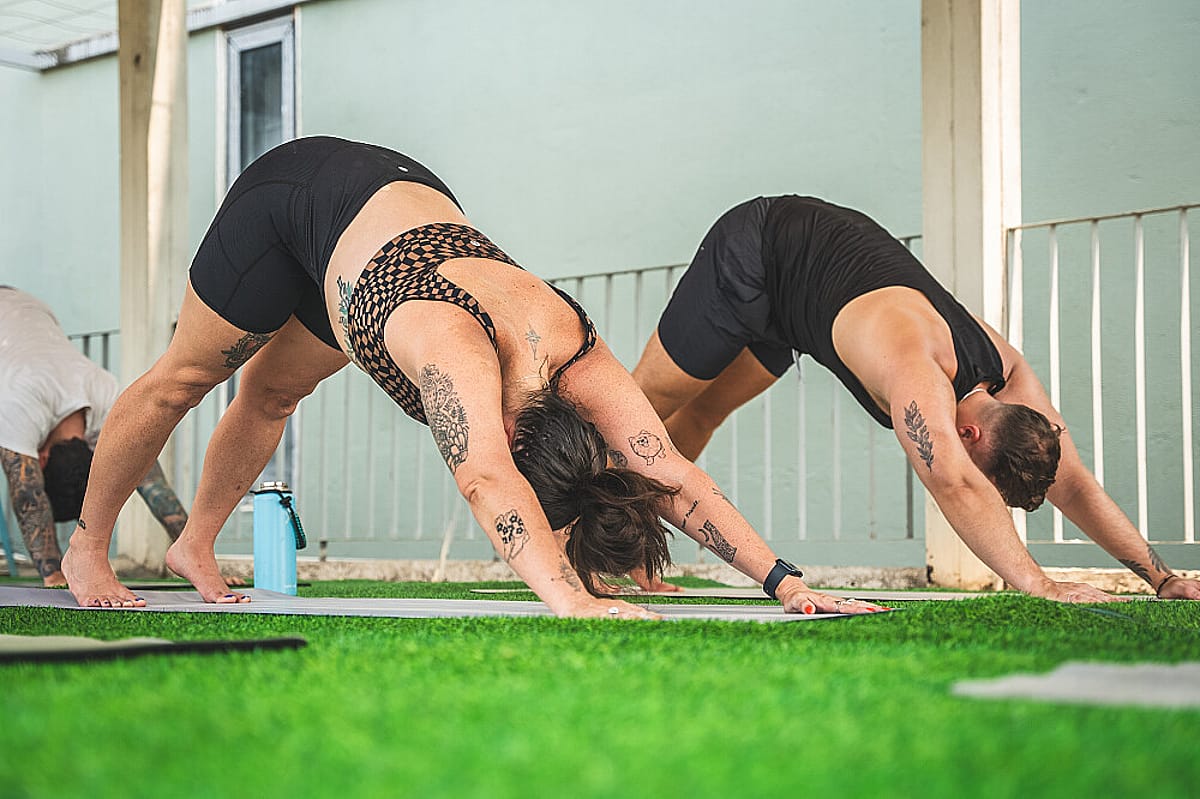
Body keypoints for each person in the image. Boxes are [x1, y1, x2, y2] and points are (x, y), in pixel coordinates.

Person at [61, 137, 886, 617]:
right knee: (185, 377)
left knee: (276, 392)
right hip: (294, 202)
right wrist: (569, 598)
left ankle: (192, 543)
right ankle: (88, 549)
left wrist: (784, 580)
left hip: (386, 225)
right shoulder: (455, 354)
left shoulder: (575, 353)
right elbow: (487, 476)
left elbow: (667, 468)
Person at [631, 195, 1200, 603]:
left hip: (797, 307)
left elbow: (1073, 482)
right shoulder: (915, 369)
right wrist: (1040, 583)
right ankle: (564, 532)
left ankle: (627, 546)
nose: (980, 485)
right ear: (971, 434)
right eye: (987, 478)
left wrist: (1162, 577)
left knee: (704, 410)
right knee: (642, 405)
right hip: (757, 250)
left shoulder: (1008, 374)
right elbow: (954, 480)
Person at [0, 287, 206, 587]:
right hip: (26, 309)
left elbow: (150, 481)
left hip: (30, 308)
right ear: (42, 460)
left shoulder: (107, 394)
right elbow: (28, 494)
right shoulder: (21, 402)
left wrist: (194, 553)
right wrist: (53, 573)